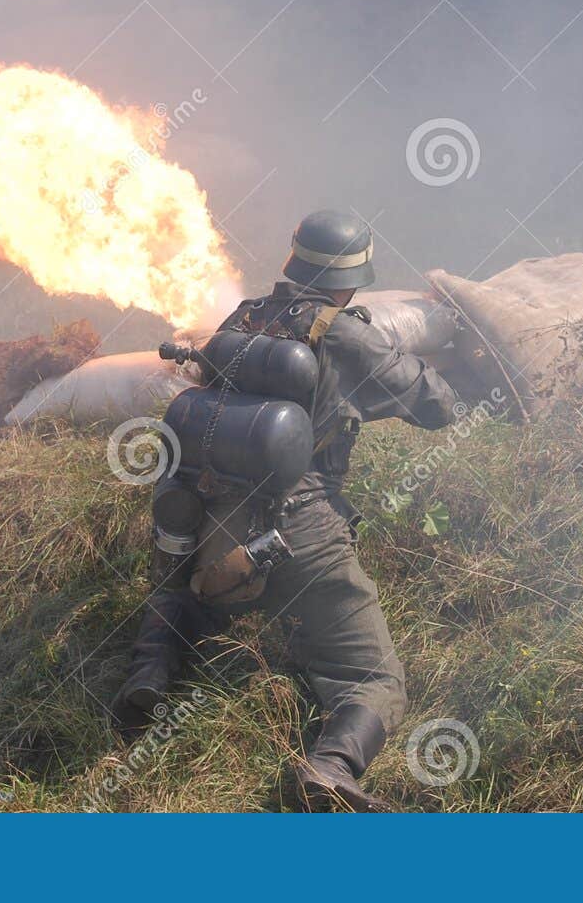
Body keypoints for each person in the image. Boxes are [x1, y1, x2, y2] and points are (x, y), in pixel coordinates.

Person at [114, 209, 459, 811]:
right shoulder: (349, 335)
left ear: (291, 261)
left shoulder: (242, 317)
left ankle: (151, 672)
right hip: (299, 528)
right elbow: (438, 408)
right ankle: (331, 767)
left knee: (182, 594)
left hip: (205, 517)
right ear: (353, 279)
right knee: (373, 677)